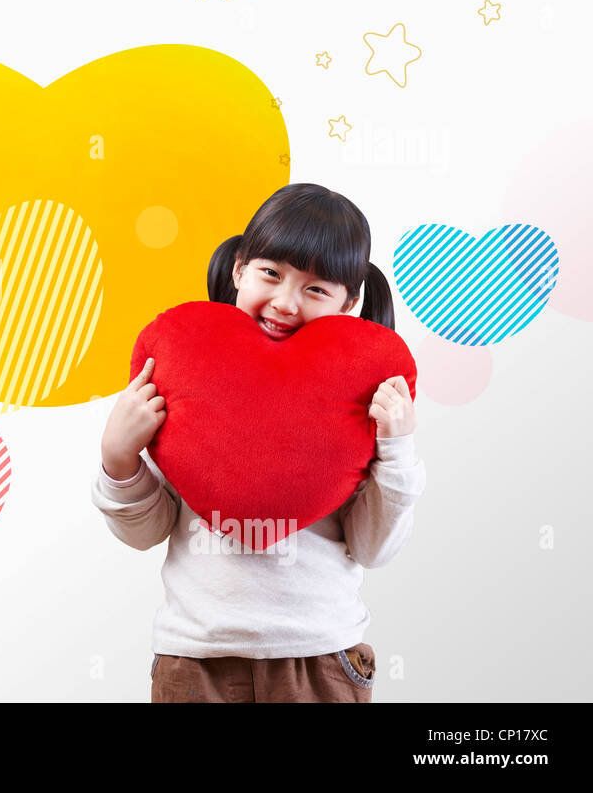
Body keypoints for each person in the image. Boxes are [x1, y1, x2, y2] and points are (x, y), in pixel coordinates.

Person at [92, 183, 427, 702]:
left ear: (351, 303)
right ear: (239, 270)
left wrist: (397, 450)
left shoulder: (364, 394)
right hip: (194, 660)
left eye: (317, 290)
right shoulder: (187, 368)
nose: (285, 302)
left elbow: (373, 548)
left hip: (321, 660)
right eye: (270, 273)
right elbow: (146, 532)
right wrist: (119, 459)